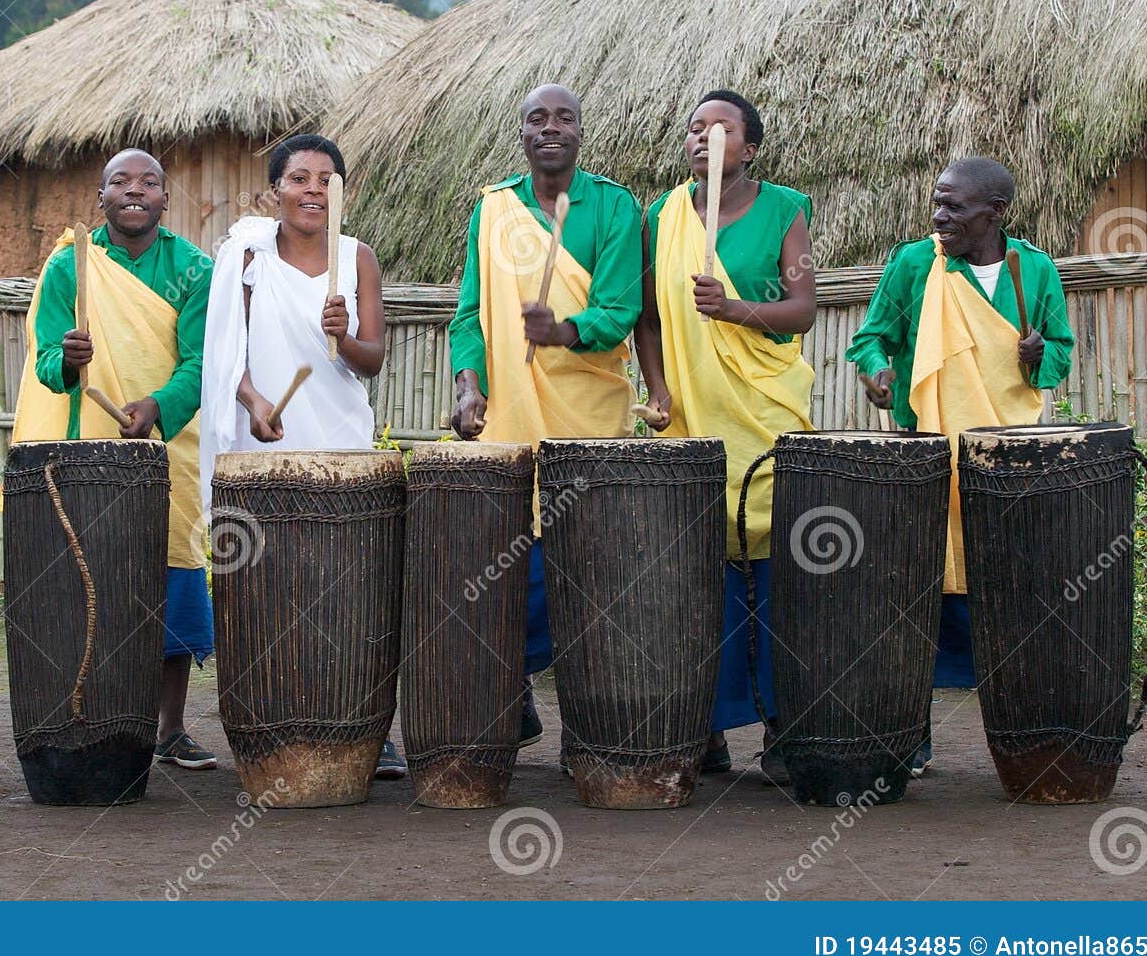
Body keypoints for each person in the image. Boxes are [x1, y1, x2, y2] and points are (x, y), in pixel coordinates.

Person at [847, 155, 1073, 772]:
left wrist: (1039, 353)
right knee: (914, 590)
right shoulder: (916, 264)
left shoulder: (1035, 270)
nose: (939, 216)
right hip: (925, 454)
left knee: (1009, 592)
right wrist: (877, 373)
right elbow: (871, 338)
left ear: (995, 213)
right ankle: (910, 734)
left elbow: (1062, 355)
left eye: (954, 206)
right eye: (937, 202)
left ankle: (1024, 732)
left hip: (1008, 461)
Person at [198, 133, 402, 779]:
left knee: (351, 594)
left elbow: (371, 361)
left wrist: (344, 338)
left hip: (342, 446)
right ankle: (278, 723)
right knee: (274, 592)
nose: (313, 190)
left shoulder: (357, 258)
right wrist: (256, 404)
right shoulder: (248, 261)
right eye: (300, 179)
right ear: (275, 192)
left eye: (326, 180)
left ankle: (365, 728)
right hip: (270, 452)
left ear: (341, 192)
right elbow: (226, 358)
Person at [448, 84, 642, 754]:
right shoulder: (494, 209)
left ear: (581, 133)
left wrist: (559, 331)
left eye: (563, 118)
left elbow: (619, 312)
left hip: (587, 419)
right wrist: (469, 387)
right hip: (510, 417)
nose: (550, 128)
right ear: (522, 133)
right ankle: (515, 694)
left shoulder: (614, 207)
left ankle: (593, 728)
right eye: (537, 118)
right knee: (511, 565)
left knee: (590, 567)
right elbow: (470, 313)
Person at [634, 90, 817, 784]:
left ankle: (780, 719)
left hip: (764, 409)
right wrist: (657, 389)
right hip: (690, 414)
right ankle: (703, 725)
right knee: (697, 565)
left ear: (750, 147)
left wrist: (736, 308)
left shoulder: (783, 209)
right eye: (695, 126)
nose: (706, 136)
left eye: (723, 127)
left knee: (774, 561)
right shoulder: (662, 215)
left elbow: (802, 310)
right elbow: (646, 317)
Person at [16, 148, 217, 770]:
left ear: (164, 199)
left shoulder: (194, 269)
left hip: (164, 443)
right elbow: (47, 358)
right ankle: (91, 716)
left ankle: (171, 729)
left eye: (149, 182)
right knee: (90, 580)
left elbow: (200, 363)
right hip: (85, 449)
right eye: (121, 182)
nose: (136, 191)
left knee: (172, 576)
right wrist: (67, 362)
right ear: (99, 197)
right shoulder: (69, 267)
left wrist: (157, 406)